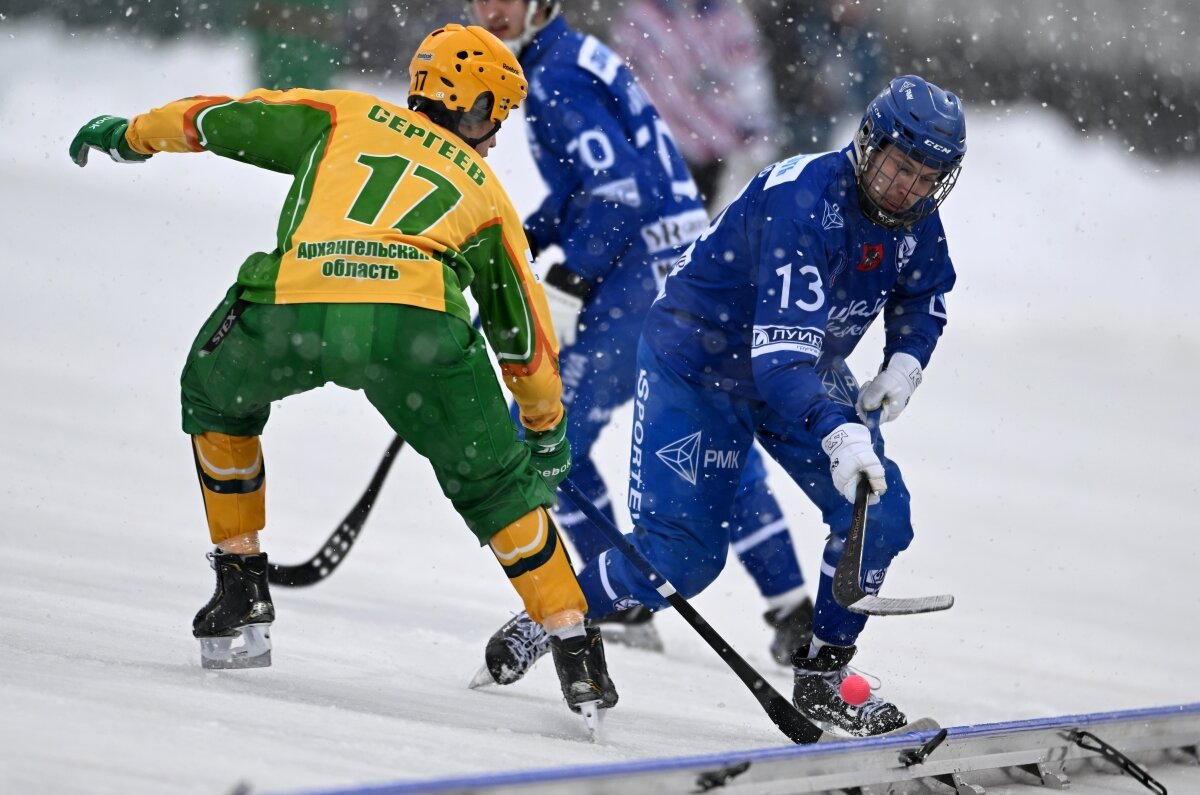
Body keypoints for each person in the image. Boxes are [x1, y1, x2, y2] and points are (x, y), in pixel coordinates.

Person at [68, 23, 616, 725]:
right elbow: (527, 340)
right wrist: (544, 432)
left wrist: (132, 134)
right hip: (415, 331)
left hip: (295, 307)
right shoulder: (484, 188)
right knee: (497, 486)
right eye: (497, 115)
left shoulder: (344, 114)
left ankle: (240, 582)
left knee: (213, 392)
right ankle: (576, 650)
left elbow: (218, 119)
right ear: (476, 107)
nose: (497, 134)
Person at [487, 73, 967, 737]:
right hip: (700, 365)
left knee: (879, 516)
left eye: (926, 177)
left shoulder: (914, 214)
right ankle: (552, 612)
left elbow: (925, 292)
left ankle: (823, 677)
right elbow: (778, 361)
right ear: (868, 145)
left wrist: (906, 362)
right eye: (899, 168)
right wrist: (838, 433)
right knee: (681, 559)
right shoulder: (806, 203)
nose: (908, 188)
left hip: (801, 364)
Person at [463, 0, 815, 679]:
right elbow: (588, 188)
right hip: (692, 277)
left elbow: (616, 195)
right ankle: (791, 605)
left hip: (639, 288)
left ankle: (613, 597)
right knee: (711, 443)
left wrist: (570, 279)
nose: (491, 9)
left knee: (539, 432)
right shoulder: (567, 54)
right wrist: (514, 238)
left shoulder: (553, 75)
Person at [609, 0, 780, 211]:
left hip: (715, 151)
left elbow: (750, 78)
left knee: (710, 225)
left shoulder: (728, 17)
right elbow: (620, 79)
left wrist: (759, 131)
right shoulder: (641, 16)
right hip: (657, 147)